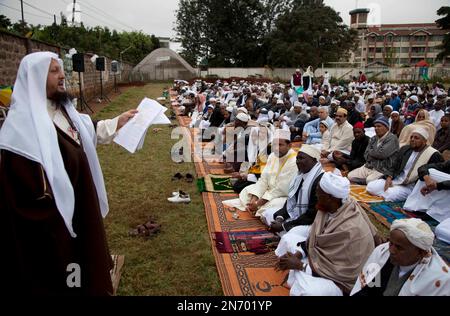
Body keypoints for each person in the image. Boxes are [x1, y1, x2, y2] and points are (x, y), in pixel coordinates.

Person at [0, 52, 138, 295]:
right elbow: (25, 195)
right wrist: (60, 213)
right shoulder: (20, 131)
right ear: (35, 78)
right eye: (54, 71)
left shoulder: (61, 110)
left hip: (79, 208)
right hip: (54, 229)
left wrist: (119, 121)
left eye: (61, 69)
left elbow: (86, 133)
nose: (62, 75)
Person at [276, 173, 378, 296]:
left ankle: (302, 275)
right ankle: (301, 274)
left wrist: (300, 265)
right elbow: (313, 240)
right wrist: (298, 254)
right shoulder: (327, 207)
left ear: (330, 197)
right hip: (321, 262)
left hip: (342, 280)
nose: (315, 194)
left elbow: (341, 272)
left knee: (308, 292)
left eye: (319, 192)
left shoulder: (350, 228)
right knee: (288, 240)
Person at [352, 218, 450, 296]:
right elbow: (368, 288)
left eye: (399, 248)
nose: (391, 250)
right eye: (391, 243)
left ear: (421, 253)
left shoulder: (439, 279)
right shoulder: (382, 252)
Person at [223, 129, 297, 218]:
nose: (276, 148)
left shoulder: (294, 161)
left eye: (280, 145)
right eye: (274, 145)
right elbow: (263, 179)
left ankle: (257, 209)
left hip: (282, 195)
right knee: (247, 191)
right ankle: (254, 206)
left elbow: (281, 189)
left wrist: (258, 203)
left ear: (289, 145)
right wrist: (255, 198)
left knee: (273, 206)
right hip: (268, 190)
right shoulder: (273, 156)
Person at [367, 128, 443, 202]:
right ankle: (388, 193)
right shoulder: (405, 149)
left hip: (411, 186)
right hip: (397, 180)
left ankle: (401, 195)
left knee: (389, 194)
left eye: (416, 138)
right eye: (411, 137)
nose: (412, 139)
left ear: (424, 141)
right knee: (371, 187)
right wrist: (389, 177)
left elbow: (436, 173)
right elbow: (394, 165)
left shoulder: (433, 154)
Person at [262, 145, 323, 234]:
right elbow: (290, 200)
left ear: (314, 160)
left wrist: (284, 226)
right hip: (297, 215)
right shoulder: (299, 176)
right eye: (297, 159)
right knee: (268, 213)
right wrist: (280, 218)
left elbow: (312, 214)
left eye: (301, 158)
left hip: (311, 222)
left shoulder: (320, 181)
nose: (298, 162)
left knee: (288, 238)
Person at [348, 117, 399, 184]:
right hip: (369, 166)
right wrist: (376, 154)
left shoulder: (392, 139)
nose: (376, 128)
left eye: (379, 126)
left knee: (370, 180)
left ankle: (369, 181)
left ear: (386, 127)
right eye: (375, 126)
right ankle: (368, 181)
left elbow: (382, 154)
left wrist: (372, 153)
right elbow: (366, 155)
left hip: (382, 169)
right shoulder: (373, 138)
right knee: (350, 176)